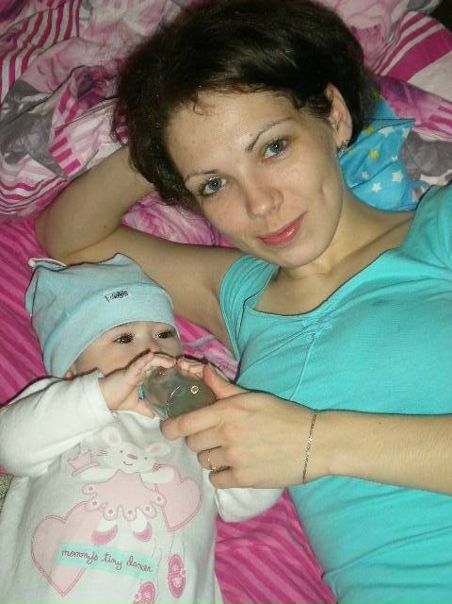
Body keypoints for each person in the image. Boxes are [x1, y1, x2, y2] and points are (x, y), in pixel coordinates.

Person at [34, 0, 452, 602]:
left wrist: (313, 442)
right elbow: (71, 237)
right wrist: (171, 138)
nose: (259, 204)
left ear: (333, 116)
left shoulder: (438, 230)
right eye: (214, 183)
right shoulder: (243, 293)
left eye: (273, 147)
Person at [0, 253, 280, 604]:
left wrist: (230, 419)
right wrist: (98, 397)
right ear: (72, 368)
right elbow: (10, 446)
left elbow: (249, 497)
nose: (151, 347)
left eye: (164, 334)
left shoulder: (194, 425)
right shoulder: (64, 408)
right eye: (123, 338)